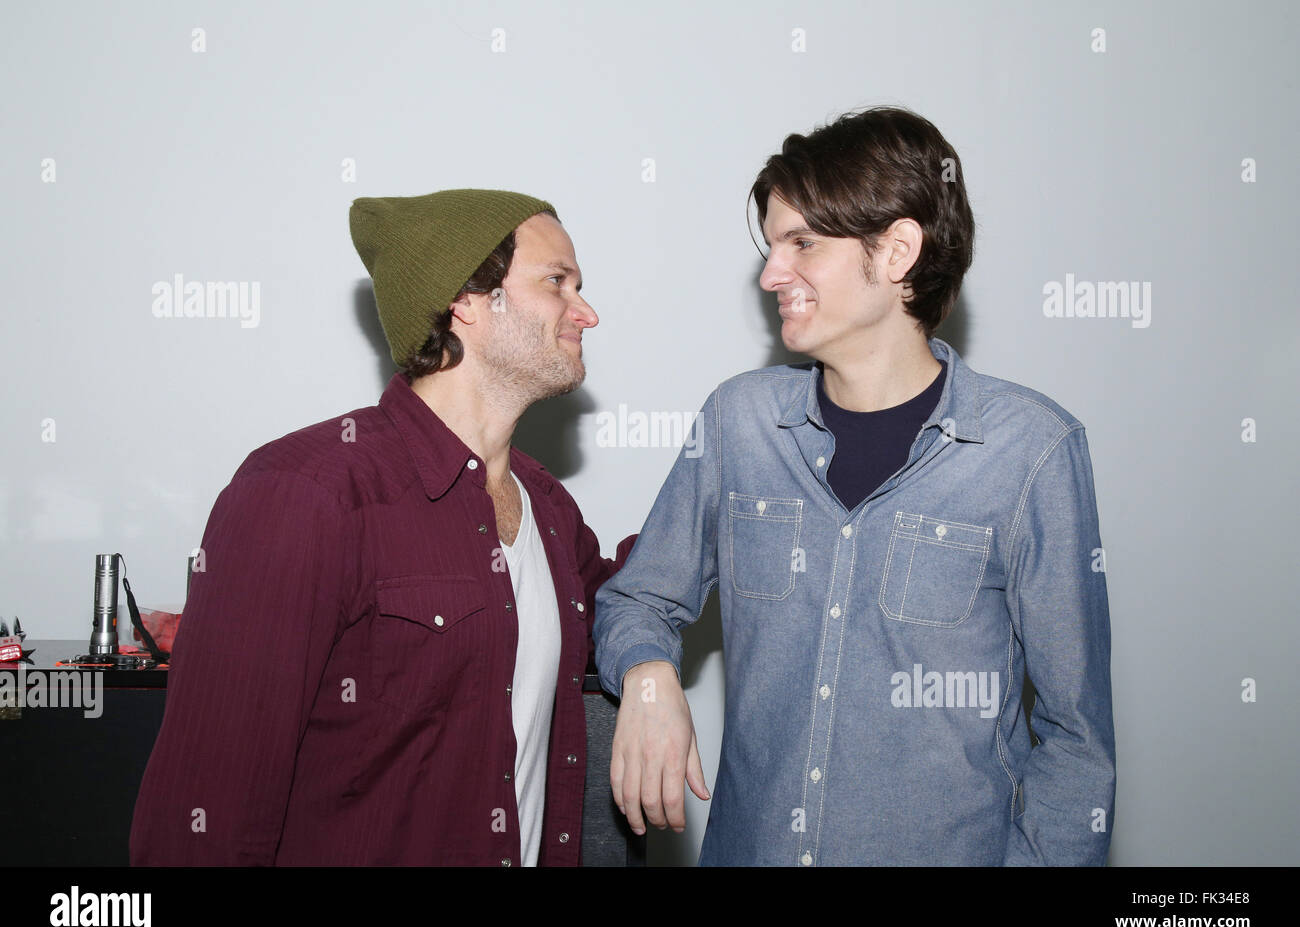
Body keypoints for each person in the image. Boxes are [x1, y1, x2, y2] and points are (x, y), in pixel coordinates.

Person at [595, 108, 1116, 866]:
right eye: (772, 247)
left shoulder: (1032, 451)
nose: (772, 274)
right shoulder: (738, 423)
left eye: (802, 243)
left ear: (898, 250)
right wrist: (647, 680)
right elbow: (638, 597)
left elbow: (1076, 740)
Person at [131, 188, 633, 866]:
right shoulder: (307, 494)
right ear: (467, 302)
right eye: (557, 283)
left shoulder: (546, 506)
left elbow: (627, 607)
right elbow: (202, 816)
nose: (587, 313)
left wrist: (721, 507)